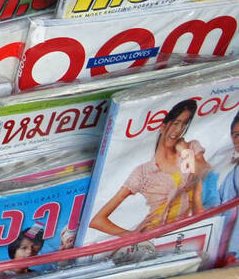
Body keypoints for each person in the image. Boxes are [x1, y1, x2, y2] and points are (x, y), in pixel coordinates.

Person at [87, 99, 208, 238]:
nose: (178, 130)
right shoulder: (143, 172)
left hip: (182, 235)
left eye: (184, 124)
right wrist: (134, 236)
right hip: (151, 238)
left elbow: (203, 178)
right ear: (162, 127)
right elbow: (97, 220)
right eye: (175, 123)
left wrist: (185, 151)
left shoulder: (190, 149)